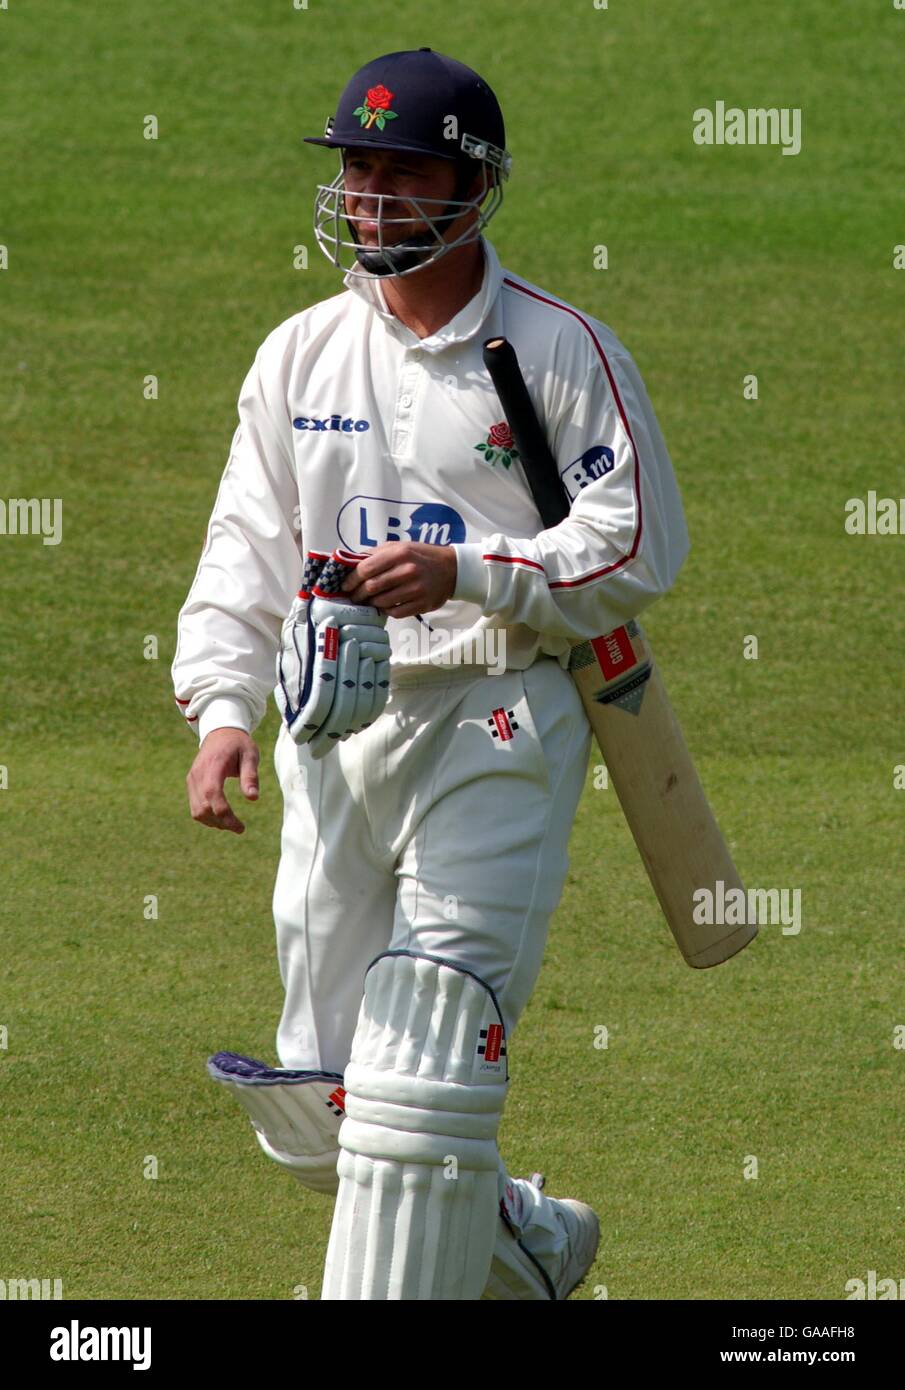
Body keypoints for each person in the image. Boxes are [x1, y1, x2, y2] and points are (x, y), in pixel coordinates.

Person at [172, 47, 690, 1300]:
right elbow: (244, 547)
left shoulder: (558, 351)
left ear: (472, 188)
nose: (368, 197)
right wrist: (221, 709)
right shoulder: (297, 355)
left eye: (401, 173)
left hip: (499, 716)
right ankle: (524, 1237)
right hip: (328, 727)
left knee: (421, 1073)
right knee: (324, 1101)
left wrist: (471, 575)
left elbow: (633, 545)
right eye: (356, 169)